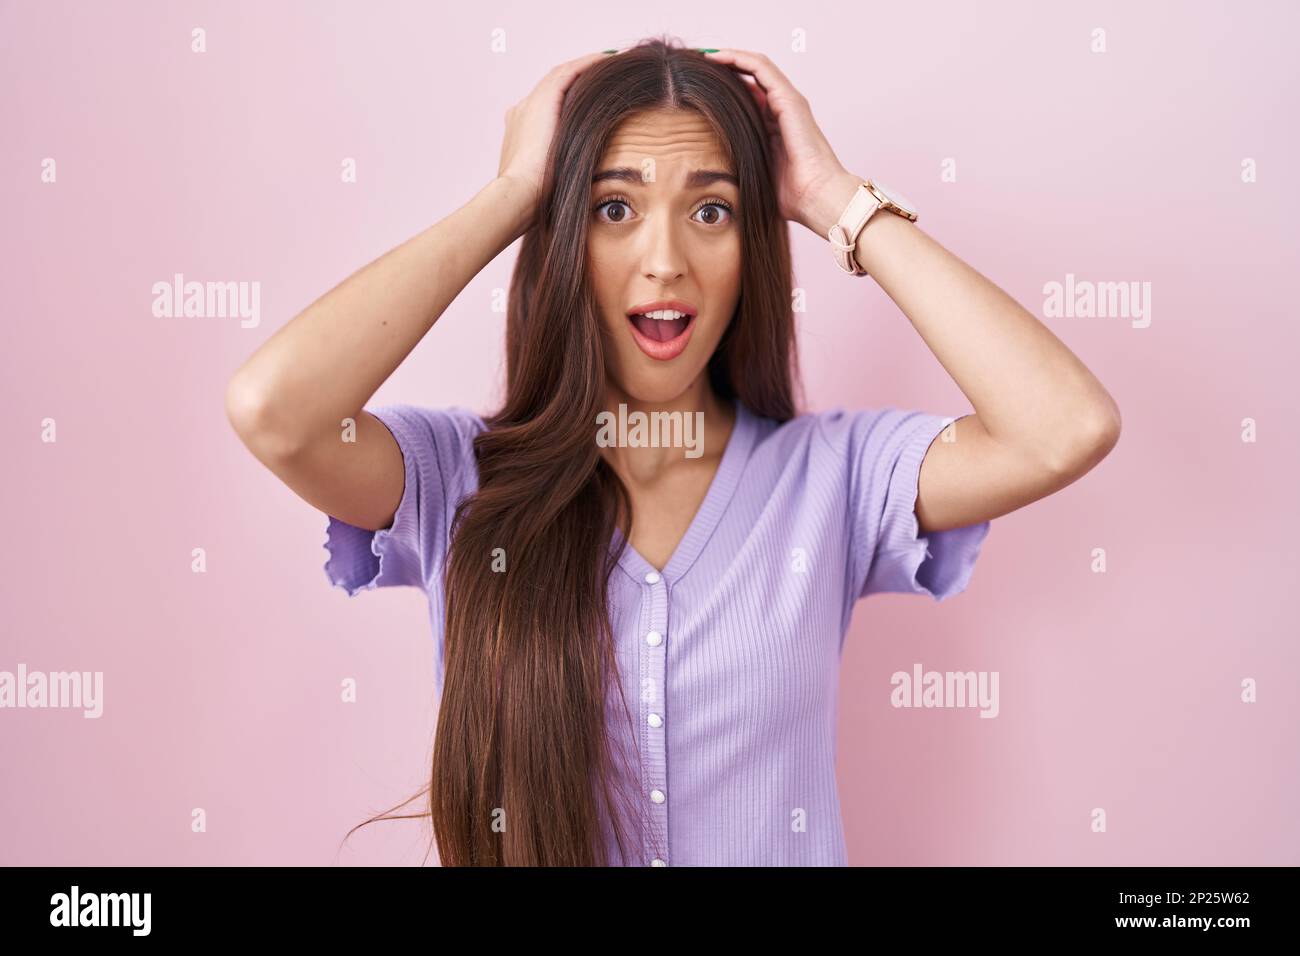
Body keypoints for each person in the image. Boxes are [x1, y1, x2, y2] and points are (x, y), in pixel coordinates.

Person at [225, 38, 1120, 866]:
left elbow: (1063, 428)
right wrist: (511, 199)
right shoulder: (456, 476)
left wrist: (833, 199)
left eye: (712, 210)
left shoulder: (836, 479)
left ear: (753, 245)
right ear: (565, 239)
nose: (665, 260)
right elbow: (276, 410)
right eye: (613, 207)